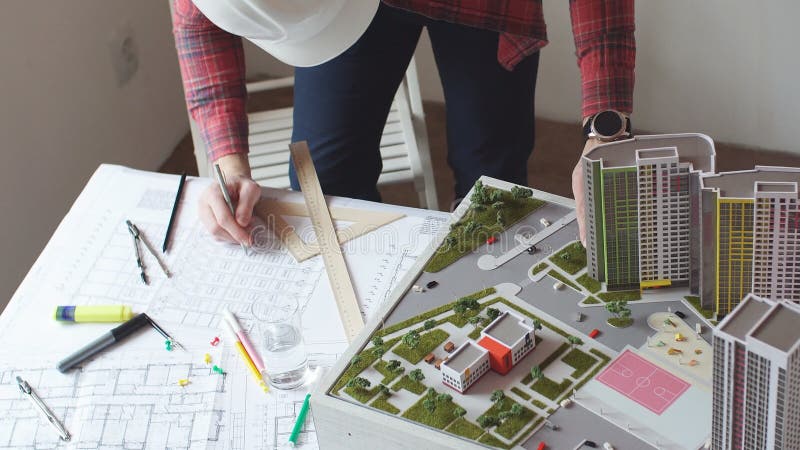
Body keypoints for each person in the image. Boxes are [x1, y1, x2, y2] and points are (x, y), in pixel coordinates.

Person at [172, 0, 635, 247]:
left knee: (491, 180)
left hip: (484, 5)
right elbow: (197, 19)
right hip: (338, 10)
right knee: (321, 179)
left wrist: (605, 134)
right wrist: (228, 166)